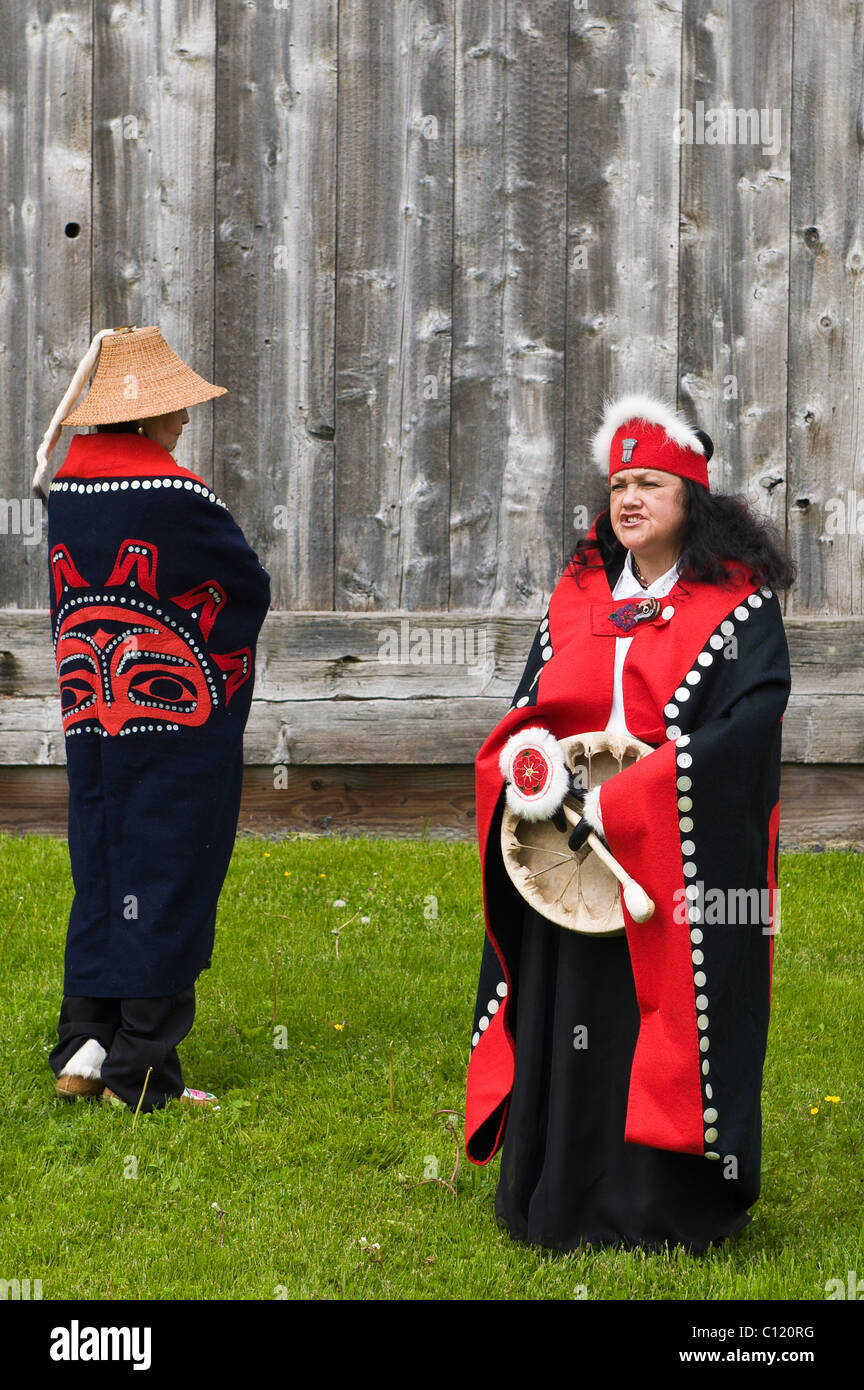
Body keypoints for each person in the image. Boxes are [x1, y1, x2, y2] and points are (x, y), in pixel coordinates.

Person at [464, 393, 795, 1252]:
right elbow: (527, 708)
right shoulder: (576, 594)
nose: (630, 500)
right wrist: (529, 770)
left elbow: (751, 724)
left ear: (695, 499)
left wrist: (644, 790)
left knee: (664, 1022)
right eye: (619, 486)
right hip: (565, 848)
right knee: (570, 1013)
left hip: (673, 853)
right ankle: (560, 1198)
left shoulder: (738, 607)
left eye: (650, 483)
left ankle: (658, 1209)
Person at [32, 325, 271, 1111]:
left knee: (103, 862)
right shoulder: (178, 495)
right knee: (170, 866)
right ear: (148, 418)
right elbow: (244, 584)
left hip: (93, 716)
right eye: (177, 410)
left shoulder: (66, 489)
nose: (186, 423)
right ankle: (140, 1074)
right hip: (172, 721)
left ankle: (83, 1046)